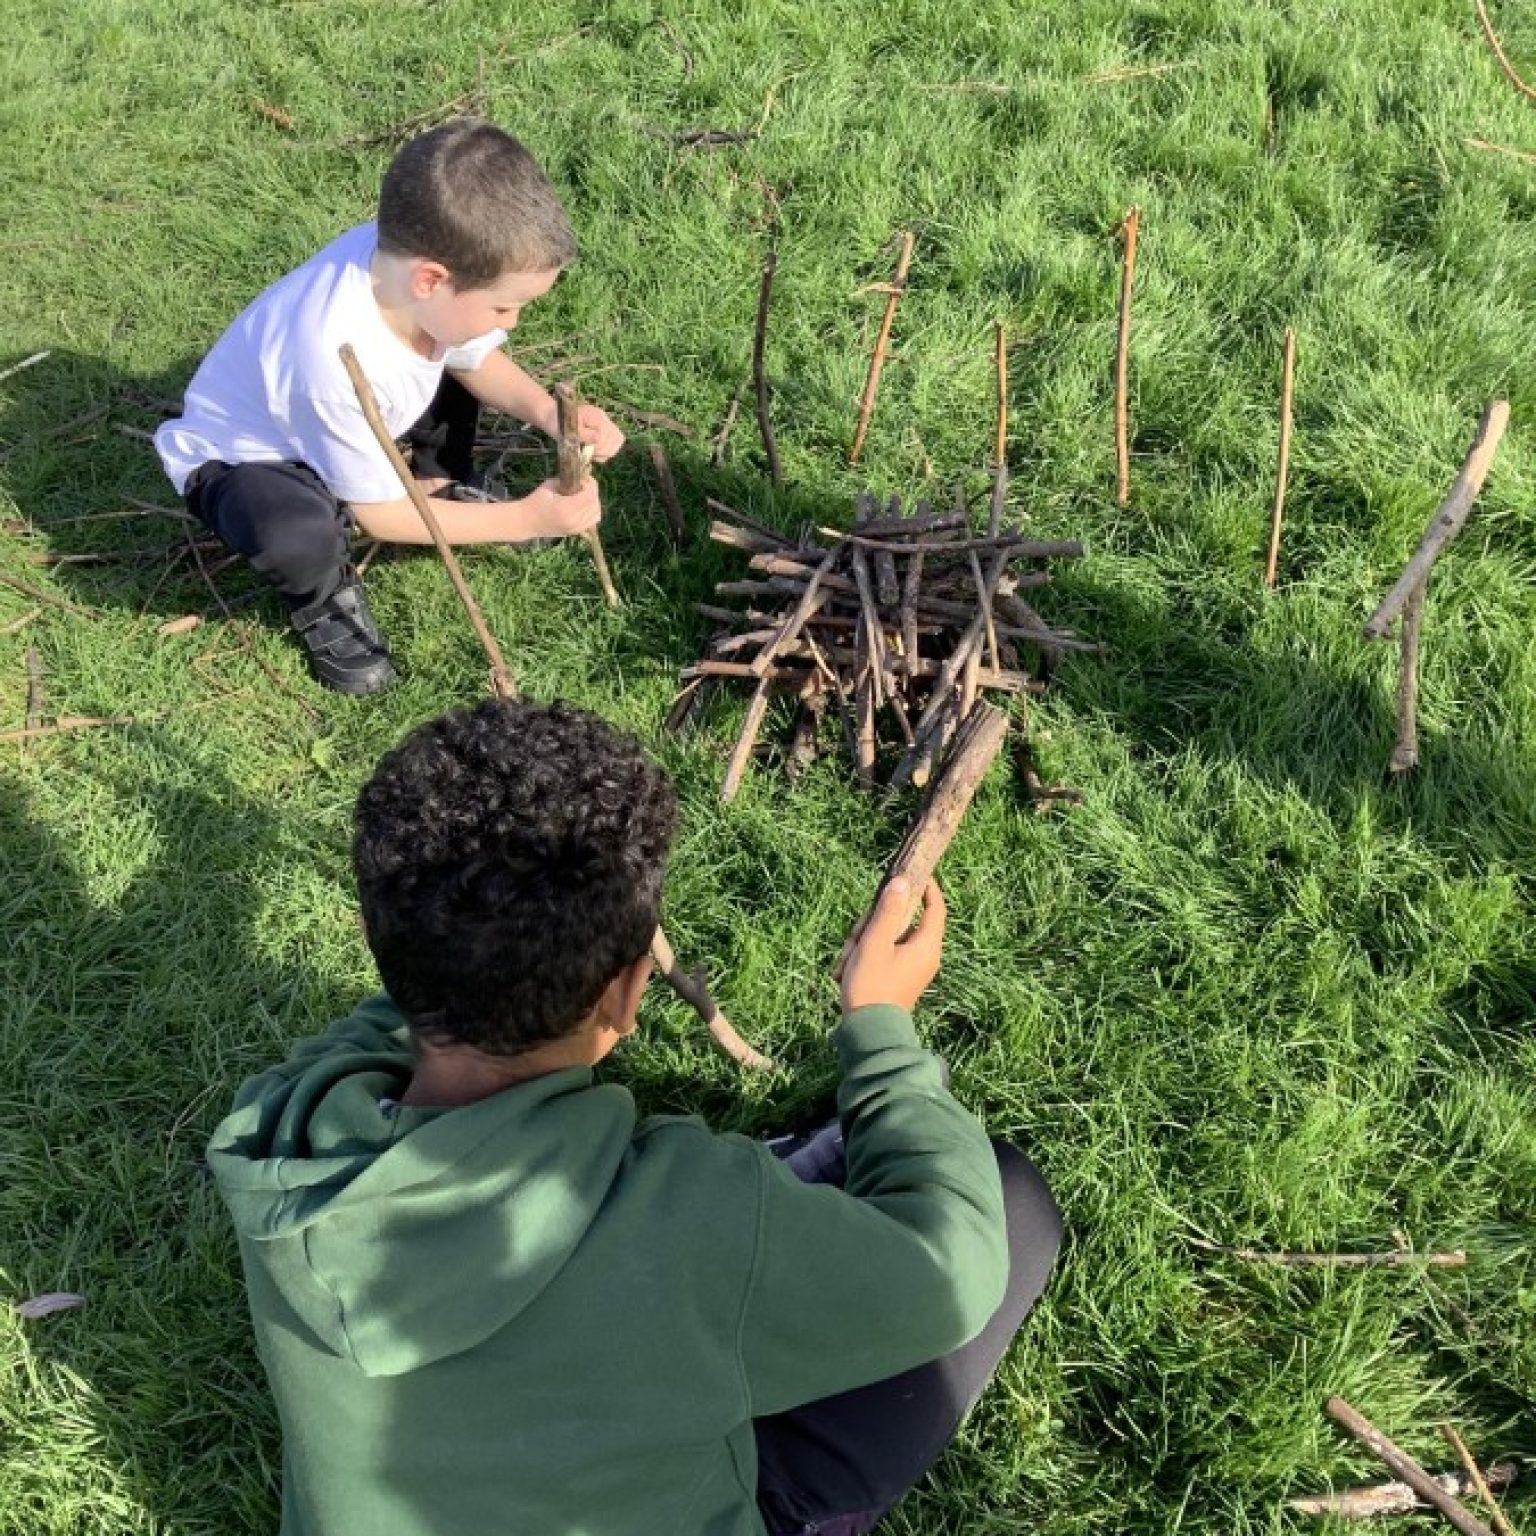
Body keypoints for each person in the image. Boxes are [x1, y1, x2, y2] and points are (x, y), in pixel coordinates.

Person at [206, 698, 1062, 1536]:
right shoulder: (695, 1217)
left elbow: (387, 1012)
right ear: (625, 992)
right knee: (1011, 1201)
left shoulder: (281, 1126)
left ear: (378, 938)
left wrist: (463, 930)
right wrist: (881, 1029)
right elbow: (952, 1272)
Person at [154, 119, 623, 695]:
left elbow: (474, 360)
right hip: (248, 461)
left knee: (450, 359)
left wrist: (550, 414)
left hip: (357, 403)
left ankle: (437, 483)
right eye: (504, 307)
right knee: (295, 533)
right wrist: (527, 519)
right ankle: (323, 598)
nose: (514, 322)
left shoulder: (412, 276)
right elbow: (381, 519)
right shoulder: (330, 359)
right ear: (432, 278)